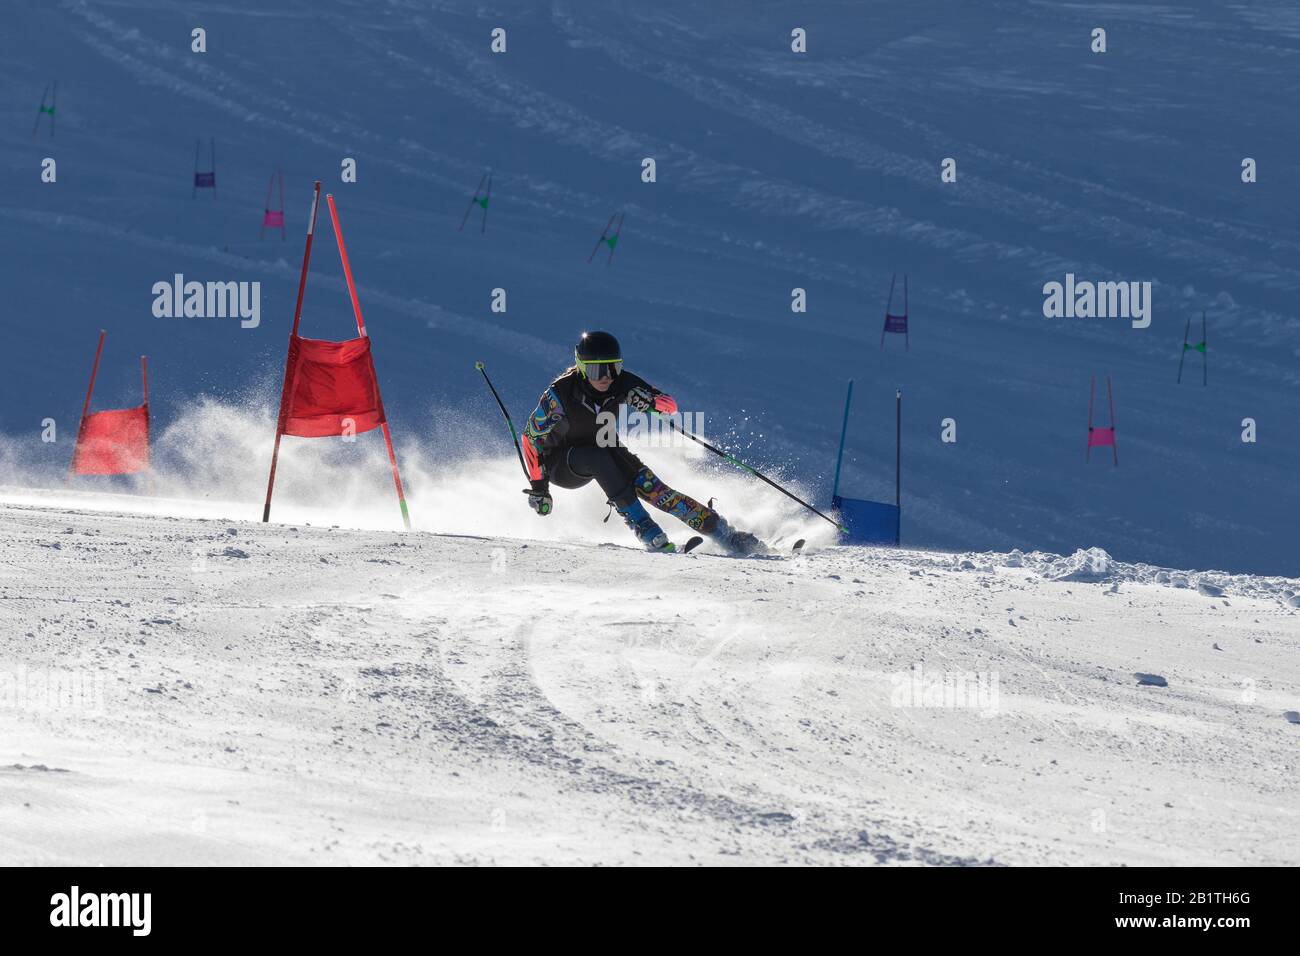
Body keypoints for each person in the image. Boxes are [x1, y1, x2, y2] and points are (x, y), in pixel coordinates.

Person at [521, 331, 763, 554]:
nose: (606, 377)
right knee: (596, 457)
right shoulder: (561, 393)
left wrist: (649, 402)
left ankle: (724, 534)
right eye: (597, 371)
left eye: (613, 369)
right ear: (582, 368)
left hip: (605, 447)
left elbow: (670, 406)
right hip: (560, 464)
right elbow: (530, 438)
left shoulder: (622, 382)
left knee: (654, 488)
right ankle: (646, 530)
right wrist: (540, 488)